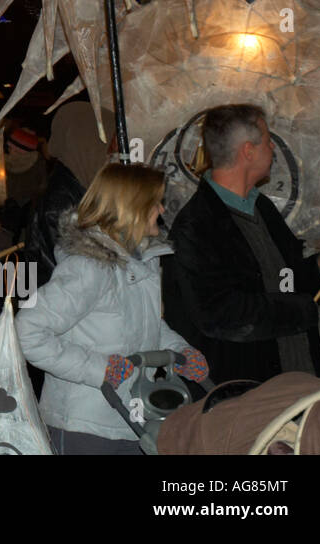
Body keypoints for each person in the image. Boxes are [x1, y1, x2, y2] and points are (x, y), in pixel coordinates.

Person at [16, 163, 208, 454]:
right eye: (155, 202)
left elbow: (149, 325)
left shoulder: (143, 260)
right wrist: (97, 369)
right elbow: (26, 330)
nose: (162, 210)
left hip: (132, 418)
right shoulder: (88, 267)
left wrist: (181, 353)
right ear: (132, 206)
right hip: (84, 426)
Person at [162, 104, 320, 384]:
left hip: (301, 381)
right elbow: (220, 315)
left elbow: (283, 282)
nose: (273, 150)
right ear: (248, 151)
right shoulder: (197, 226)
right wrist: (300, 311)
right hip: (249, 396)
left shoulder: (261, 207)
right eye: (268, 142)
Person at [22, 101, 114, 283]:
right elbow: (68, 281)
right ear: (86, 143)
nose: (111, 155)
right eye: (107, 146)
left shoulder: (83, 188)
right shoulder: (61, 203)